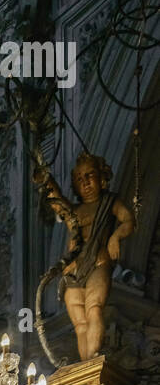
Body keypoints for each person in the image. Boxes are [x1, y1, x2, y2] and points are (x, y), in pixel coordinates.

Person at [45, 151, 135, 361]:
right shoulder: (75, 212)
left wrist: (115, 237)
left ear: (102, 178)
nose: (84, 182)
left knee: (94, 309)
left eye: (89, 175)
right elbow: (57, 202)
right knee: (80, 324)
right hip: (74, 269)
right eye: (79, 178)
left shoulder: (110, 202)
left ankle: (93, 358)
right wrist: (45, 179)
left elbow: (129, 220)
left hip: (99, 261)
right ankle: (87, 364)